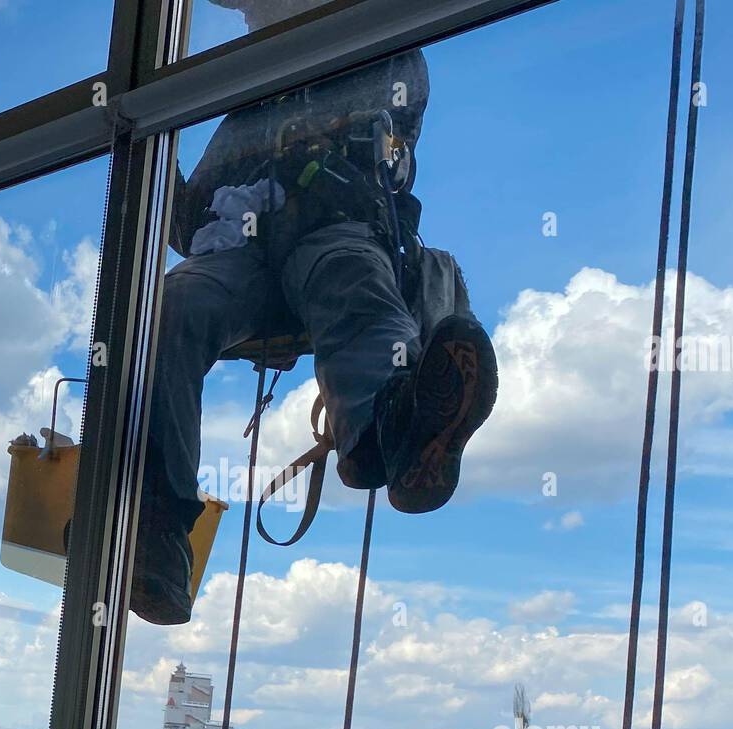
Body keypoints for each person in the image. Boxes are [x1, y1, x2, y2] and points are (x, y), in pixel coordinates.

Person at [132, 0, 498, 625]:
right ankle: (158, 530)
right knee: (171, 306)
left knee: (353, 283)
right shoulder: (250, 98)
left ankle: (387, 432)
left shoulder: (382, 53)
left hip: (332, 227)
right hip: (245, 249)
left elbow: (390, 148)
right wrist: (152, 161)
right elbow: (191, 223)